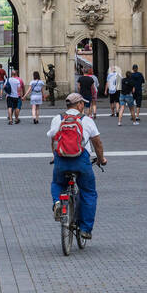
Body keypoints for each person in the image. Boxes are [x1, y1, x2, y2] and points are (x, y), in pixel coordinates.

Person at [47, 93, 106, 240]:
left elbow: (54, 139)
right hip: (81, 161)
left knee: (57, 183)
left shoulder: (57, 119)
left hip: (62, 159)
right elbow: (97, 142)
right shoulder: (86, 120)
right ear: (79, 105)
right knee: (88, 192)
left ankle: (58, 202)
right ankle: (85, 229)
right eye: (83, 104)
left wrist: (55, 155)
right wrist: (101, 159)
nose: (84, 107)